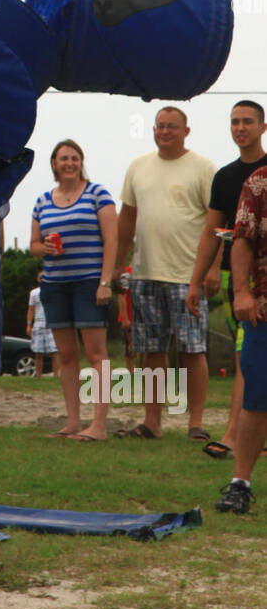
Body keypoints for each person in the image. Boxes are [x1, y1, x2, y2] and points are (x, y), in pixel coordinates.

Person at [114, 107, 216, 441]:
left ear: (187, 131)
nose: (164, 131)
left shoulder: (203, 168)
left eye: (172, 127)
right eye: (159, 126)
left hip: (188, 276)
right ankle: (152, 421)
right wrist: (117, 265)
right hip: (145, 274)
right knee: (151, 350)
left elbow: (217, 225)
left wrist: (211, 270)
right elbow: (126, 220)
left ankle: (196, 423)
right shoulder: (138, 167)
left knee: (192, 350)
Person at [186, 101, 267, 460]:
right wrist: (195, 280)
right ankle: (234, 435)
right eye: (234, 121)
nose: (240, 127)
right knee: (246, 360)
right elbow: (212, 233)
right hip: (245, 289)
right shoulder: (225, 177)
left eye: (247, 121)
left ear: (263, 128)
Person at [29, 141, 116, 440]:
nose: (69, 163)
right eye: (63, 158)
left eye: (74, 158)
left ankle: (100, 425)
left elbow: (112, 241)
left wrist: (105, 282)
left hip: (89, 283)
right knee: (66, 355)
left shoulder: (98, 194)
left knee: (96, 354)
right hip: (54, 285)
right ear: (53, 163)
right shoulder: (42, 201)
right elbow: (33, 246)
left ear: (81, 162)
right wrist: (45, 247)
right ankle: (73, 422)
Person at [215, 168, 267, 513]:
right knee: (257, 394)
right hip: (264, 308)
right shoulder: (260, 181)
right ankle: (240, 484)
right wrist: (241, 292)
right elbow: (243, 237)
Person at [26, 272, 59, 378]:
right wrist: (28, 324)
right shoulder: (34, 293)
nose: (42, 279)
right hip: (38, 324)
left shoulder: (53, 291)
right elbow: (31, 309)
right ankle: (38, 376)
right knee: (38, 352)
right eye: (41, 277)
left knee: (54, 352)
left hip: (51, 324)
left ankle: (55, 376)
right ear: (38, 279)